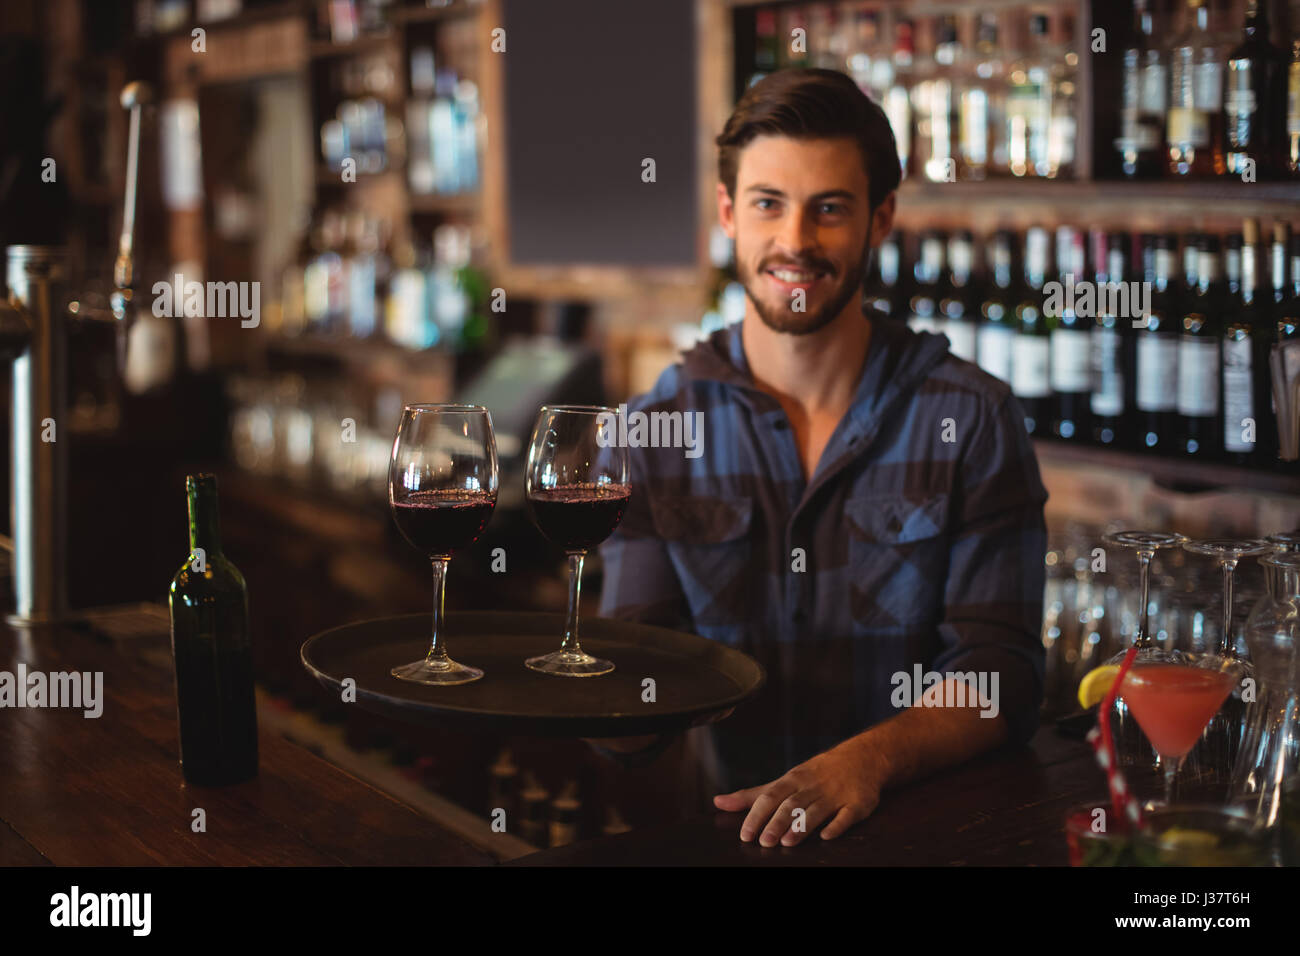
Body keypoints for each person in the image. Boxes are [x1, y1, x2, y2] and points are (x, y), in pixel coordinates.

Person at [592, 68, 1047, 848]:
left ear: (880, 220)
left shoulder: (971, 417)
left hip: (928, 841)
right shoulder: (650, 431)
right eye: (769, 204)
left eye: (829, 209)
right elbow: (632, 704)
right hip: (729, 842)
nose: (795, 242)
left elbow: (1000, 674)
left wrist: (864, 762)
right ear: (730, 214)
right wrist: (588, 695)